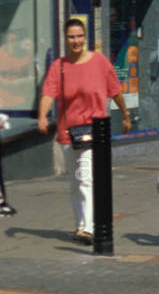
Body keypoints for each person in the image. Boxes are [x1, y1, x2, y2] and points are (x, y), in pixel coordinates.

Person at [37, 18, 131, 243]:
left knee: (86, 178)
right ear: (65, 39)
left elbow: (115, 91)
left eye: (79, 36)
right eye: (71, 37)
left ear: (85, 37)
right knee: (76, 181)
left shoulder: (99, 62)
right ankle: (80, 225)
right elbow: (48, 94)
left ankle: (88, 228)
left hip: (94, 131)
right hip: (68, 134)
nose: (75, 41)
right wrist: (42, 116)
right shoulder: (59, 66)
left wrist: (126, 115)